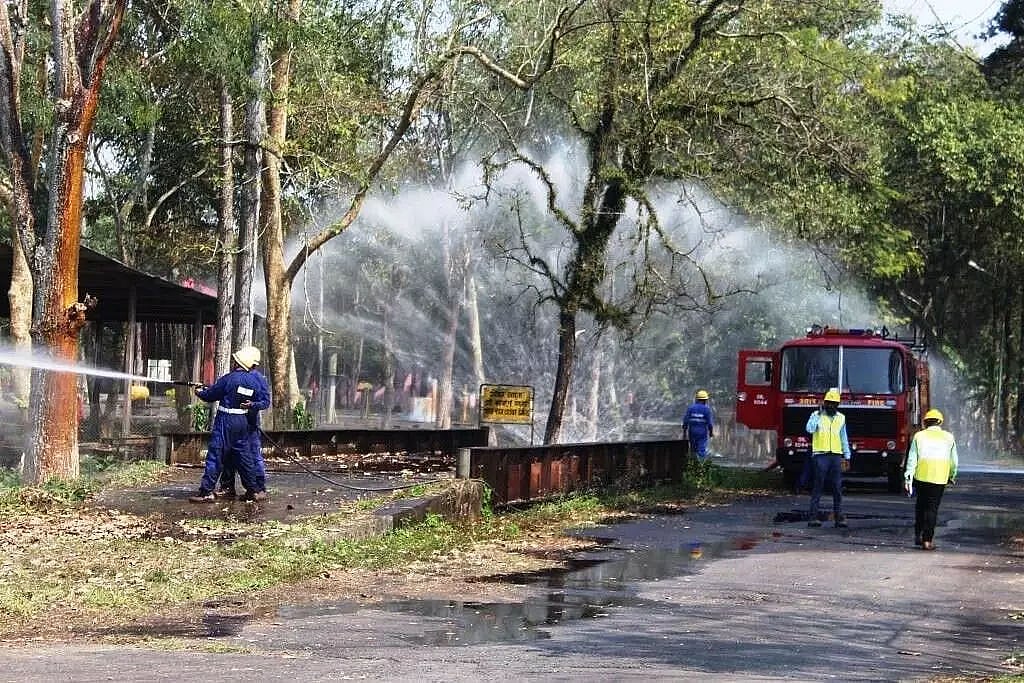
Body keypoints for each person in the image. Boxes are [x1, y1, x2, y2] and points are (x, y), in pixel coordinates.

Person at [189, 346, 271, 504]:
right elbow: (265, 401)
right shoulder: (256, 380)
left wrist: (199, 392)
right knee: (245, 458)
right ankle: (253, 490)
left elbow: (211, 395)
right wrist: (253, 405)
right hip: (244, 424)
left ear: (238, 362)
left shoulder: (229, 379)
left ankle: (206, 492)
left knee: (216, 456)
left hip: (225, 422)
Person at [215, 348, 271, 500]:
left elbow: (265, 402)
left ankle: (258, 489)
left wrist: (252, 405)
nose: (235, 363)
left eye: (237, 361)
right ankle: (227, 487)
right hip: (233, 423)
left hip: (250, 426)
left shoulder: (258, 379)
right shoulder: (236, 377)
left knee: (253, 457)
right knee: (228, 456)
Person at [904, 408, 958, 550]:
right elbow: (954, 462)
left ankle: (918, 535)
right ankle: (927, 540)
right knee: (932, 509)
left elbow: (912, 459)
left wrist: (908, 477)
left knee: (920, 507)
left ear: (926, 422)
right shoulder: (949, 437)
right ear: (940, 422)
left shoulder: (919, 436)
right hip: (939, 477)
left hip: (921, 476)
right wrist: (952, 475)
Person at [806, 387, 851, 528]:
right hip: (821, 455)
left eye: (833, 403)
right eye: (828, 402)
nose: (830, 405)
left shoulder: (841, 418)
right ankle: (813, 517)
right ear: (824, 403)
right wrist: (818, 415)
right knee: (818, 486)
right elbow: (810, 429)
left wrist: (847, 455)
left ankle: (839, 518)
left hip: (836, 456)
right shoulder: (816, 415)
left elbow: (843, 437)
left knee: (837, 487)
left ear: (837, 405)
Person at [682, 389, 715, 461]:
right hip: (702, 433)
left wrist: (684, 433)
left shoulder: (691, 408)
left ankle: (692, 466)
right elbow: (710, 423)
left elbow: (685, 421)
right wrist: (711, 433)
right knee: (701, 451)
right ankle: (700, 468)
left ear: (696, 399)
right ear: (705, 400)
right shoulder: (707, 409)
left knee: (693, 450)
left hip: (692, 432)